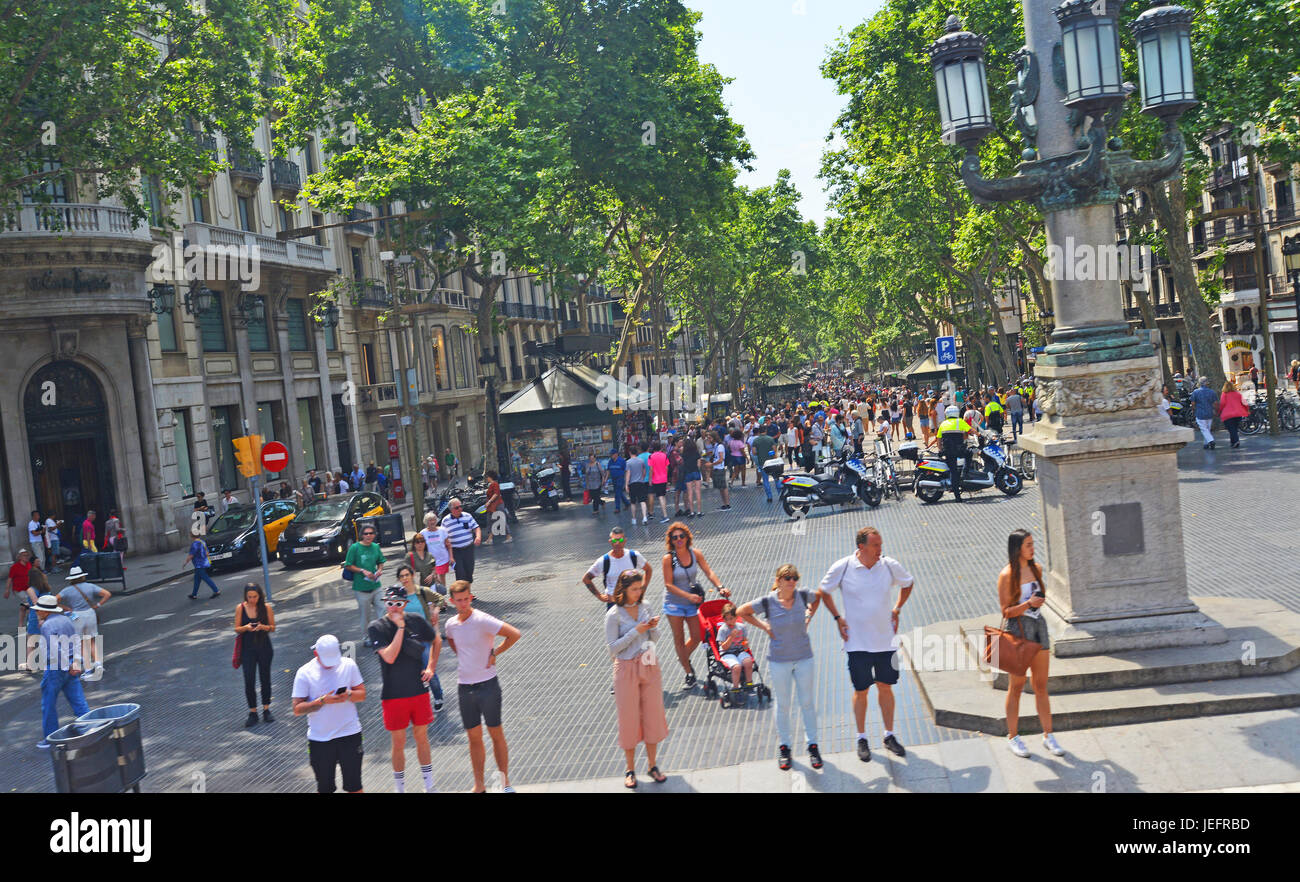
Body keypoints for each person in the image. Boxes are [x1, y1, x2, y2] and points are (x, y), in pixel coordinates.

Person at [817, 526, 915, 761]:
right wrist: (838, 618)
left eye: (880, 544)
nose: (880, 549)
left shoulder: (889, 565)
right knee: (861, 691)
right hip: (857, 644)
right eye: (875, 545)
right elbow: (823, 591)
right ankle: (861, 737)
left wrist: (897, 608)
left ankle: (889, 735)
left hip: (885, 641)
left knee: (885, 687)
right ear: (861, 546)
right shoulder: (844, 566)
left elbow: (908, 583)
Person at [738, 564, 825, 771]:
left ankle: (812, 745)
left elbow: (819, 596)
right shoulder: (768, 602)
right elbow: (741, 611)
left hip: (804, 658)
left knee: (807, 702)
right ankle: (784, 747)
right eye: (787, 578)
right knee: (783, 704)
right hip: (779, 661)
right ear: (778, 580)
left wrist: (809, 616)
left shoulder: (803, 595)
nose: (792, 581)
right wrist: (764, 626)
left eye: (794, 577)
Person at [444, 580, 521, 793]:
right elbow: (451, 641)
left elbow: (514, 634)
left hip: (488, 685)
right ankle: (479, 785)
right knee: (473, 737)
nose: (463, 604)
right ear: (452, 601)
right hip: (464, 688)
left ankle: (504, 782)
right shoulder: (450, 624)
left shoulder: (482, 620)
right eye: (458, 601)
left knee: (496, 733)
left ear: (471, 597)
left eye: (466, 599)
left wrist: (495, 653)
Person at [998, 529, 1065, 759]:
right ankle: (1013, 737)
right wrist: (1028, 603)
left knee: (1041, 686)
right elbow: (1005, 611)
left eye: (1032, 543)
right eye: (1028, 544)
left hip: (1039, 629)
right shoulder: (1007, 575)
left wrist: (1037, 602)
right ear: (1017, 548)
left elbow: (1039, 597)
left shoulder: (1037, 569)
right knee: (1016, 686)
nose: (1032, 548)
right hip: (1018, 632)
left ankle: (1048, 735)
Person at [369, 585, 440, 792]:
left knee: (422, 738)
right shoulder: (377, 627)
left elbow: (436, 640)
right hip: (393, 694)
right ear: (385, 604)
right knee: (398, 742)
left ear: (405, 604)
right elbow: (389, 656)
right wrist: (400, 628)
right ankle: (400, 788)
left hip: (417, 691)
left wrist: (431, 667)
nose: (394, 608)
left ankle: (429, 786)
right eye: (390, 603)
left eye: (398, 604)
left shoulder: (416, 621)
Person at [605, 570, 669, 789]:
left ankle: (653, 765)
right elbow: (612, 649)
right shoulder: (613, 614)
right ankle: (630, 768)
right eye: (634, 589)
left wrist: (653, 627)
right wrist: (636, 630)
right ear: (623, 590)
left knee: (653, 714)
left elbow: (656, 637)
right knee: (629, 718)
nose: (638, 592)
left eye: (640, 588)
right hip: (626, 668)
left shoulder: (646, 605)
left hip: (649, 662)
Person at [292, 634, 367, 793]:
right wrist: (321, 701)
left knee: (355, 786)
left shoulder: (348, 665)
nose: (330, 666)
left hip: (350, 733)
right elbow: (297, 709)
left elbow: (362, 694)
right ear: (316, 654)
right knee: (325, 788)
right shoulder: (304, 672)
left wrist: (348, 695)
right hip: (320, 739)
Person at [661, 522, 728, 688]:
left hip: (693, 602)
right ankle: (688, 671)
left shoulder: (695, 553)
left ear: (687, 537)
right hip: (674, 603)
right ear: (671, 540)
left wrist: (720, 587)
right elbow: (668, 585)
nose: (679, 540)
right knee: (679, 637)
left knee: (697, 635)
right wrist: (687, 596)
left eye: (681, 536)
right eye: (675, 537)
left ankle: (682, 656)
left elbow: (708, 571)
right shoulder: (668, 559)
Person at [32, 594, 89, 749]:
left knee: (48, 704)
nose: (37, 612)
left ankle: (50, 738)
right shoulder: (66, 620)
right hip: (71, 663)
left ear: (45, 612)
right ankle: (89, 728)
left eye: (39, 610)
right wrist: (75, 662)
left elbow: (54, 649)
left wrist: (65, 666)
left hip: (56, 667)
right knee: (78, 700)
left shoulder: (47, 626)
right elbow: (77, 641)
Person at [394, 562, 446, 712]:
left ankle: (438, 696)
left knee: (429, 668)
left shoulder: (422, 591)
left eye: (407, 575)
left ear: (413, 576)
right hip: (406, 639)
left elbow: (440, 598)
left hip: (423, 637)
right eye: (402, 576)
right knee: (411, 672)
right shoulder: (398, 595)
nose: (405, 578)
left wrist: (436, 610)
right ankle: (419, 700)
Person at [234, 582, 276, 726]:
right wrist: (246, 627)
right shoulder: (240, 608)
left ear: (260, 595)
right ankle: (252, 711)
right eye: (249, 597)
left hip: (264, 647)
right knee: (249, 680)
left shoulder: (266, 608)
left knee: (265, 678)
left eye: (255, 596)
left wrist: (262, 627)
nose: (252, 600)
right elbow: (237, 628)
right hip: (247, 649)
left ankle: (266, 709)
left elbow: (272, 627)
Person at [56, 565, 110, 677]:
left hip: (76, 616)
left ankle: (88, 670)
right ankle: (98, 663)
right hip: (90, 613)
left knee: (81, 643)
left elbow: (54, 600)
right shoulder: (90, 586)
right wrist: (98, 605)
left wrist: (65, 608)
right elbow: (107, 594)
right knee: (92, 640)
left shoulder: (67, 590)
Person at [583, 527, 652, 609]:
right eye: (615, 540)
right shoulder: (604, 561)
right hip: (614, 603)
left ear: (625, 540)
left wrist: (642, 589)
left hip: (633, 601)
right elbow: (586, 579)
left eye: (620, 540)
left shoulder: (633, 556)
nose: (618, 543)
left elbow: (648, 569)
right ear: (610, 541)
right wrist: (599, 596)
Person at [344, 523, 386, 645]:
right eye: (365, 533)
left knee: (383, 611)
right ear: (361, 535)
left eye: (371, 533)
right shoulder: (355, 548)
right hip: (361, 588)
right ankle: (367, 638)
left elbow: (380, 561)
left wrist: (379, 570)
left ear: (374, 534)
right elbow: (348, 565)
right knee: (365, 616)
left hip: (376, 586)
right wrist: (362, 571)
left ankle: (383, 634)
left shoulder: (375, 547)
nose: (368, 535)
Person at [716, 603, 756, 696]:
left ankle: (749, 683)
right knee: (736, 667)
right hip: (727, 653)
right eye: (726, 619)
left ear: (736, 617)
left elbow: (744, 642)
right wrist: (731, 637)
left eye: (731, 618)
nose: (729, 621)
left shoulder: (741, 627)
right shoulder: (723, 630)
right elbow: (723, 647)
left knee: (748, 662)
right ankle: (735, 687)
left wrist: (745, 644)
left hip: (739, 650)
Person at [935, 405, 973, 502]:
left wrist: (940, 450)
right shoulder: (960, 422)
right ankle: (965, 471)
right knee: (969, 453)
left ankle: (957, 497)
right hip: (959, 450)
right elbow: (971, 430)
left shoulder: (943, 424)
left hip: (948, 451)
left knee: (953, 471)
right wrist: (980, 434)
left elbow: (938, 439)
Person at [441, 498, 481, 584]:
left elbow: (476, 527)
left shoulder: (467, 516)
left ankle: (467, 593)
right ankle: (462, 593)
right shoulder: (445, 521)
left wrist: (478, 537)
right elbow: (443, 536)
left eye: (460, 506)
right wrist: (449, 555)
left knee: (469, 570)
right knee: (460, 572)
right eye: (457, 508)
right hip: (456, 551)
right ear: (451, 510)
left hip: (468, 548)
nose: (460, 509)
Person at [419, 512, 454, 588]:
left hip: (443, 559)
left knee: (442, 577)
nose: (432, 522)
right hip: (430, 562)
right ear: (426, 522)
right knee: (434, 578)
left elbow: (448, 545)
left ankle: (442, 595)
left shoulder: (442, 530)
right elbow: (420, 548)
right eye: (430, 520)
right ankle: (436, 595)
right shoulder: (423, 533)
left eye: (434, 520)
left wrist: (451, 557)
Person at [184, 530, 222, 599]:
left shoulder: (195, 544)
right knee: (197, 579)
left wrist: (185, 563)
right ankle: (194, 594)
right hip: (204, 562)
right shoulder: (202, 542)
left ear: (192, 536)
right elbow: (207, 552)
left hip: (199, 564)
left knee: (205, 578)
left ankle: (216, 590)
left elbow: (191, 555)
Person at [749, 423, 778, 504]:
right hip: (772, 462)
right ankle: (780, 493)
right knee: (776, 478)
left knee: (765, 480)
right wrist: (770, 454)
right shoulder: (770, 439)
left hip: (762, 463)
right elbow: (774, 450)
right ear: (766, 430)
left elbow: (754, 452)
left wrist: (761, 453)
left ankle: (769, 496)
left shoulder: (756, 440)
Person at [625, 443, 650, 525]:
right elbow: (644, 472)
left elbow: (628, 474)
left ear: (630, 453)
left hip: (632, 484)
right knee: (642, 501)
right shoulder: (641, 461)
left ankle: (634, 519)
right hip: (641, 483)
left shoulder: (628, 462)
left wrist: (626, 484)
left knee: (633, 502)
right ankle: (644, 517)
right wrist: (642, 478)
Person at [1190, 376, 1219, 449]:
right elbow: (1215, 403)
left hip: (1200, 413)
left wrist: (1193, 410)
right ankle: (1206, 443)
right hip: (1209, 412)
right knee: (1207, 429)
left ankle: (1211, 441)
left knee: (1204, 429)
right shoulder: (1212, 392)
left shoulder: (1195, 392)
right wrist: (1215, 410)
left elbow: (1193, 403)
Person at [1219, 380, 1248, 449]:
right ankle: (1233, 442)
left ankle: (1235, 441)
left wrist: (1220, 411)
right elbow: (1244, 403)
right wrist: (1247, 409)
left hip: (1228, 415)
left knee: (1231, 429)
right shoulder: (1238, 394)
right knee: (1234, 428)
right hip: (1238, 414)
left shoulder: (1224, 394)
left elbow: (1222, 404)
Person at [648, 441, 670, 523]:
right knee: (663, 496)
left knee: (660, 496)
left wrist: (650, 479)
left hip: (656, 480)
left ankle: (665, 515)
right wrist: (666, 476)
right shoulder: (664, 455)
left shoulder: (651, 457)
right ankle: (665, 514)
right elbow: (667, 467)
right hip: (663, 478)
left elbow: (651, 469)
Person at [681, 437, 704, 518]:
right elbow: (699, 465)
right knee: (697, 492)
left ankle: (691, 512)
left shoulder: (683, 454)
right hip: (696, 472)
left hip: (688, 473)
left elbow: (683, 464)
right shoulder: (696, 453)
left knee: (690, 493)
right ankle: (699, 511)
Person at [606, 447, 628, 514]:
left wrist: (626, 479)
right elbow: (608, 470)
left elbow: (626, 470)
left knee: (617, 493)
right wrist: (606, 478)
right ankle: (627, 503)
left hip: (620, 478)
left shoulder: (621, 461)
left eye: (612, 454)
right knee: (618, 492)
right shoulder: (610, 461)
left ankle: (617, 508)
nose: (611, 456)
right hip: (614, 479)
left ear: (616, 454)